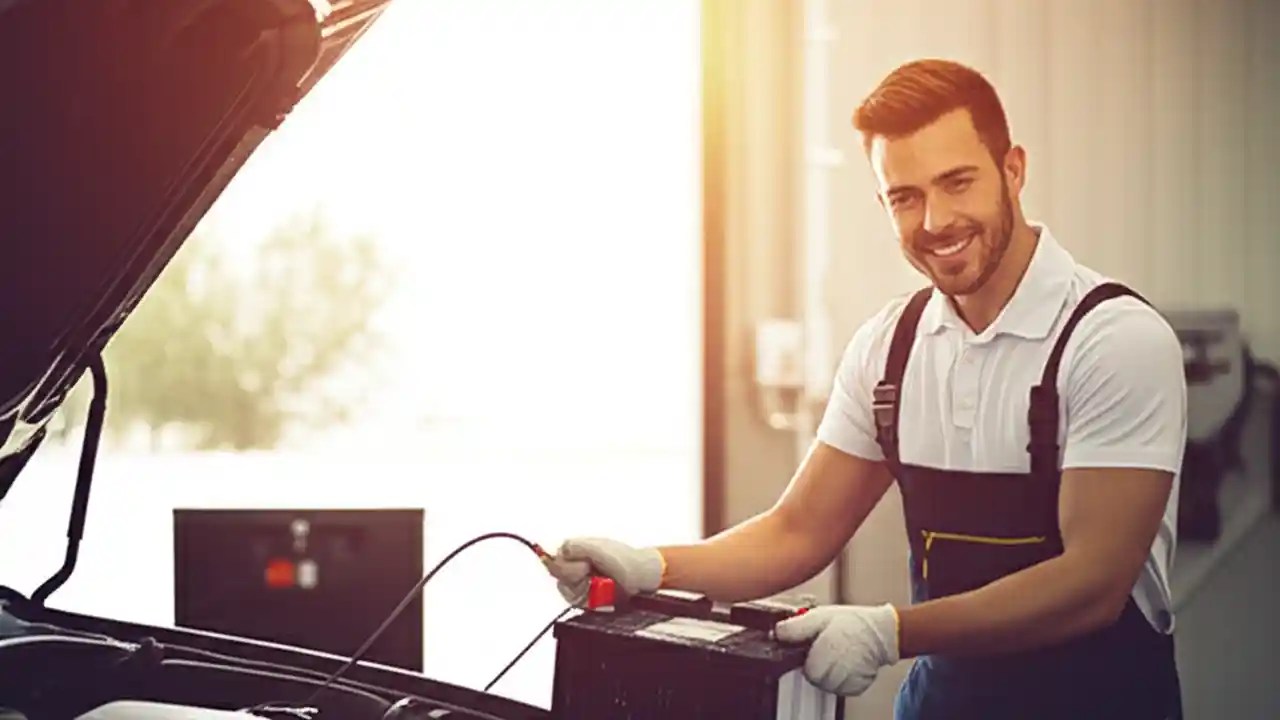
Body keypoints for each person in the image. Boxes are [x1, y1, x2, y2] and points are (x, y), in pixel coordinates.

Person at [544, 58, 1187, 720]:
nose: (936, 219)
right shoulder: (891, 350)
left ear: (1013, 170)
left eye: (957, 182)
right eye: (904, 196)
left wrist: (891, 632)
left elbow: (1092, 585)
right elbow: (797, 532)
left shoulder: (1114, 342)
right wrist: (649, 566)